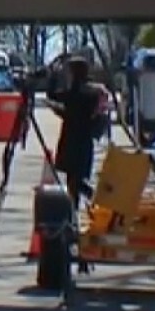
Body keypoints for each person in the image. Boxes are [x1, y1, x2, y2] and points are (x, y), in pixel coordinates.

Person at [46, 57, 102, 211]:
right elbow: (79, 114)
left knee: (74, 182)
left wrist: (52, 75)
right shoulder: (92, 93)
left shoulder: (74, 92)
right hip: (84, 142)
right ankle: (76, 211)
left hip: (72, 141)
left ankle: (94, 199)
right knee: (76, 182)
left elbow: (52, 95)